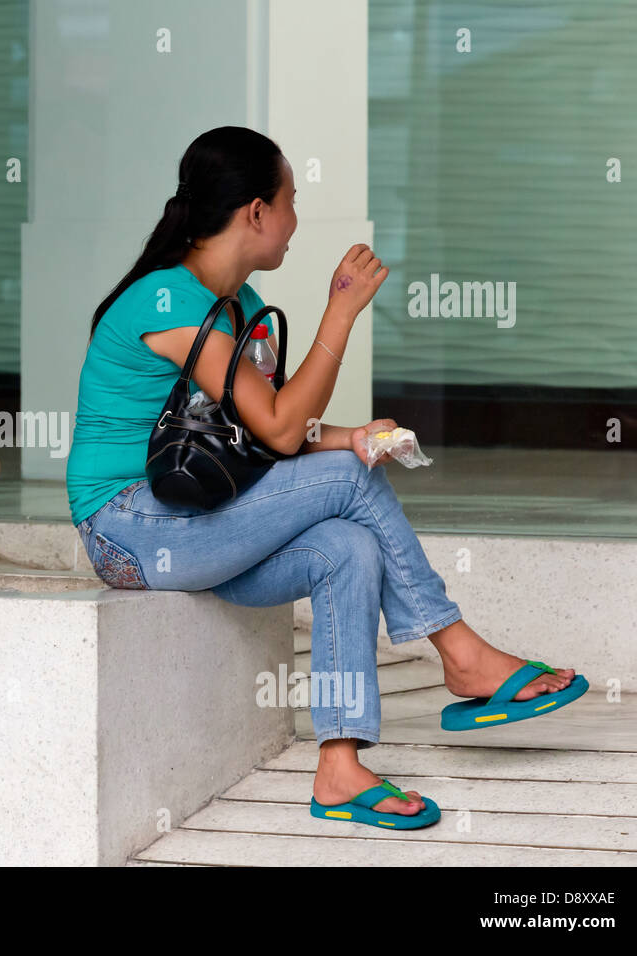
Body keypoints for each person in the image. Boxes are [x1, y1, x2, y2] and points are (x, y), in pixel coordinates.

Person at [66, 125, 576, 827]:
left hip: (203, 519)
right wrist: (340, 313)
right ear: (255, 213)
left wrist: (353, 437)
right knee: (347, 480)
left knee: (349, 545)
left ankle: (339, 764)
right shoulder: (168, 302)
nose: (296, 221)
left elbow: (261, 435)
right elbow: (276, 427)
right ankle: (461, 654)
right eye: (290, 202)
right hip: (126, 528)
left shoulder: (242, 306)